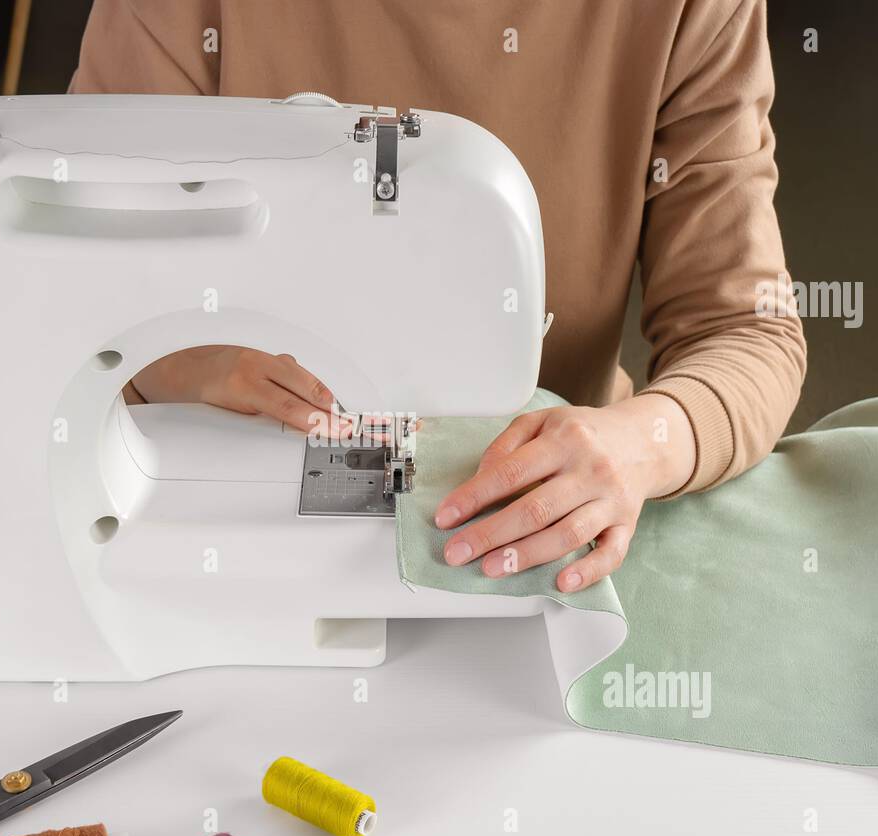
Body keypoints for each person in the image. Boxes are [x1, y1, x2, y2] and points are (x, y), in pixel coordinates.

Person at [70, 0, 805, 592]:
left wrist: (639, 444)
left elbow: (746, 329)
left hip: (536, 532)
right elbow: (79, 276)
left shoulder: (688, 11)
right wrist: (177, 362)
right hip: (225, 516)